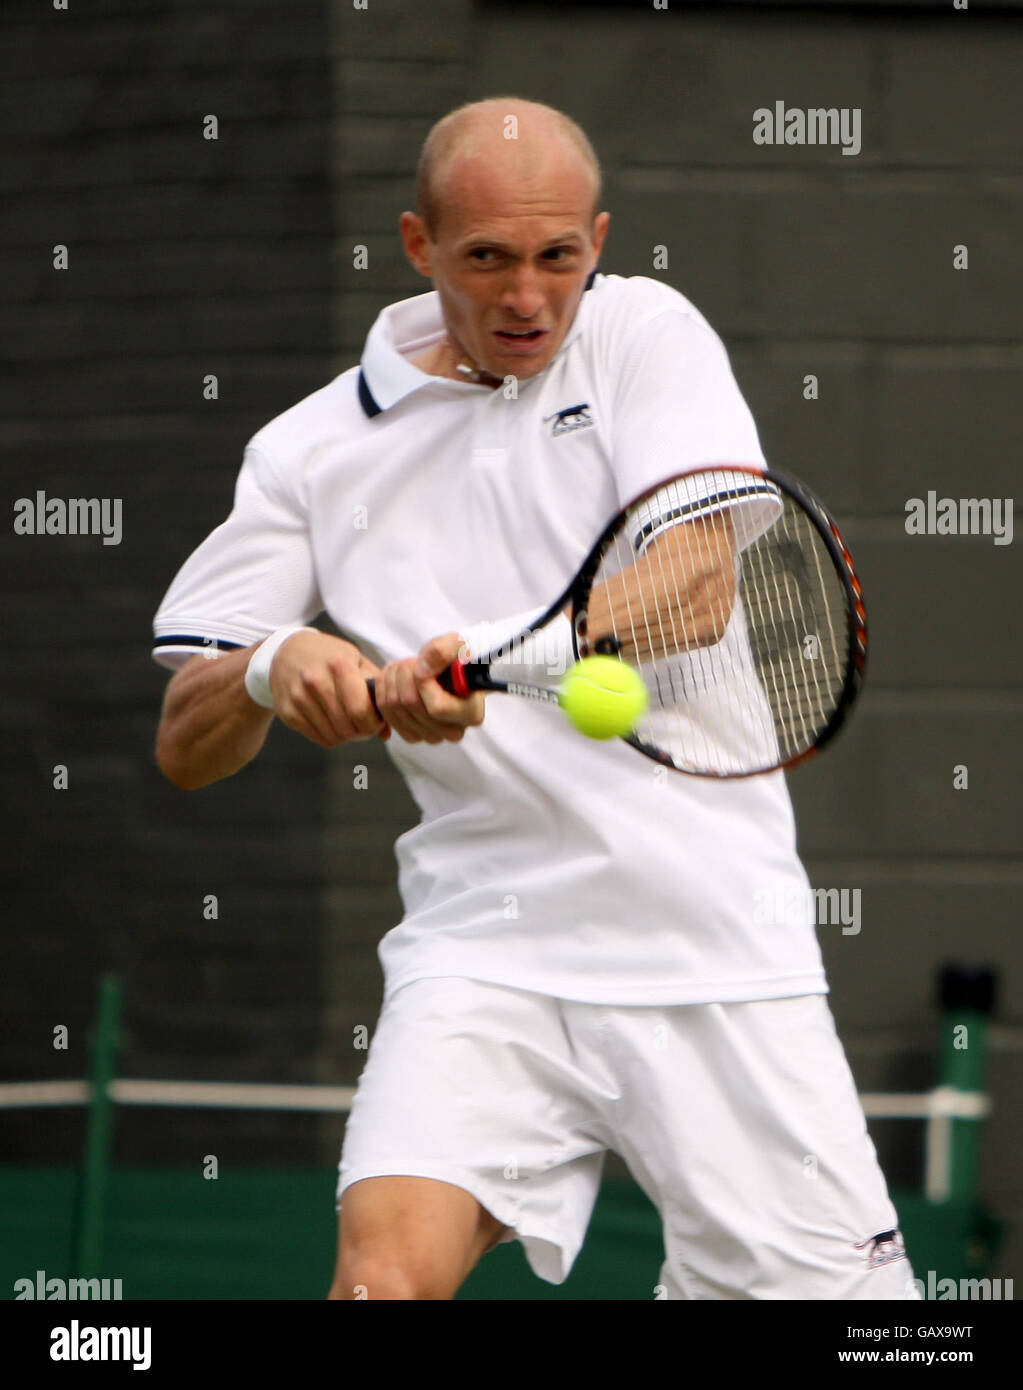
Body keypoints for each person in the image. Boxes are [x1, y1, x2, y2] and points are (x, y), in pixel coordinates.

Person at [152, 97, 918, 1301]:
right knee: (379, 1286)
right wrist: (269, 666)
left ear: (599, 240)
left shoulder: (647, 335)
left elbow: (695, 587)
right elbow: (187, 745)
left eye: (561, 256)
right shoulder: (306, 453)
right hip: (483, 948)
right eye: (488, 260)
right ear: (418, 247)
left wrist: (475, 660)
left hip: (708, 937)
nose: (529, 297)